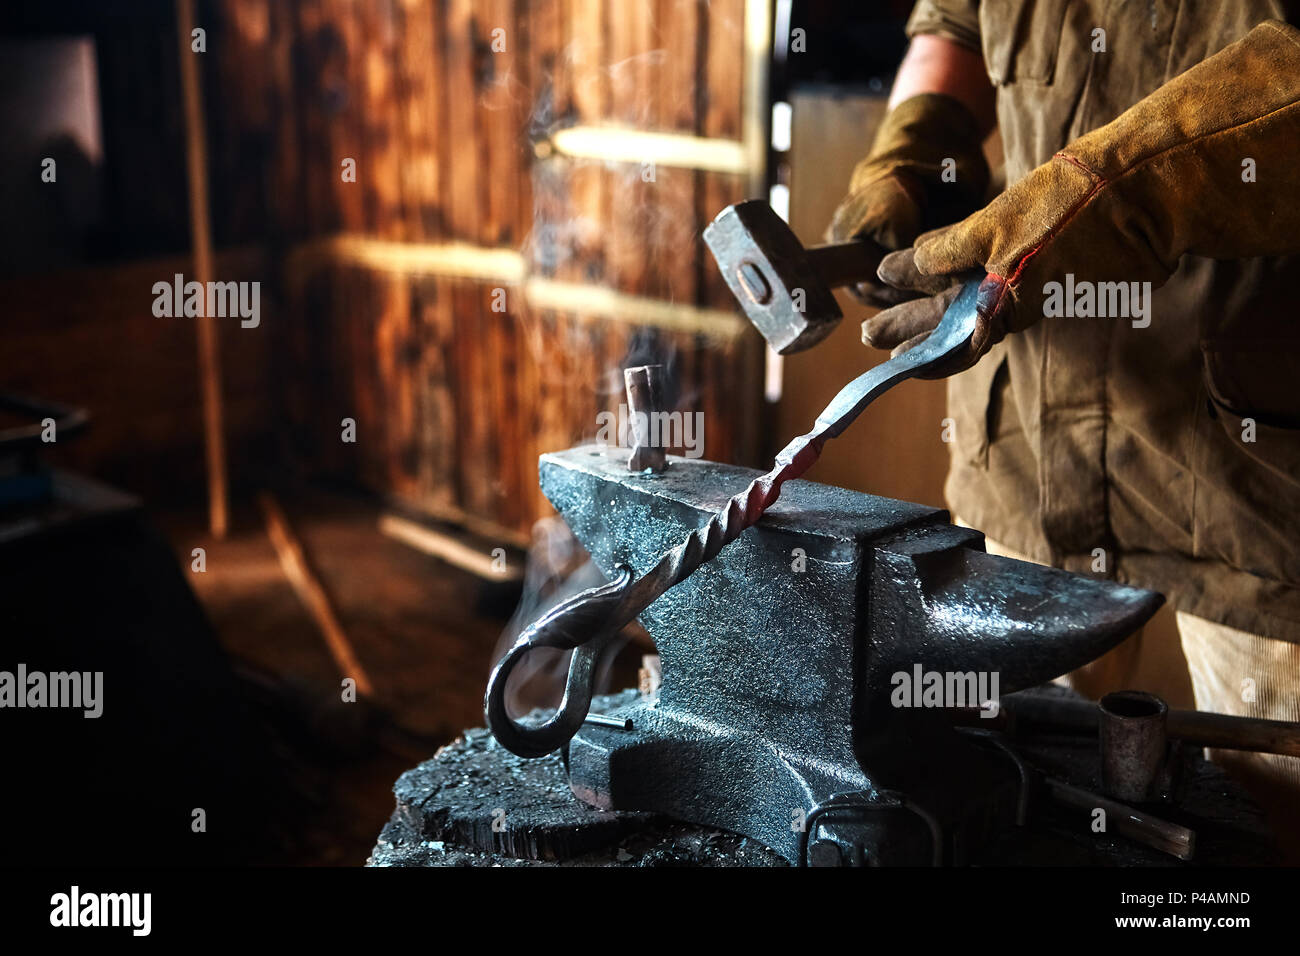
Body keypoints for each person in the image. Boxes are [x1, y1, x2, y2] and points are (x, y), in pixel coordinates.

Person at [826, 1, 1300, 847]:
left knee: (1269, 823)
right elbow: (958, 26)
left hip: (1255, 487)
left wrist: (1116, 192)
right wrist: (913, 148)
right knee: (983, 807)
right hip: (1023, 453)